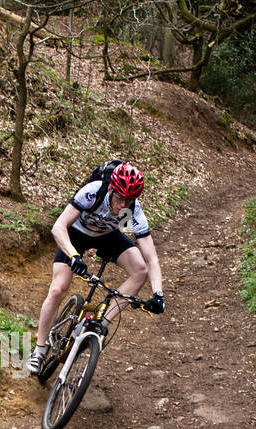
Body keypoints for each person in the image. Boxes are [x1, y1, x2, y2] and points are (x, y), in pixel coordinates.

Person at [24, 160, 164, 376]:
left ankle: (101, 324)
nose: (122, 206)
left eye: (129, 201)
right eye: (119, 198)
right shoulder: (93, 192)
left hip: (107, 236)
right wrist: (73, 256)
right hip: (77, 234)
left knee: (140, 271)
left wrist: (158, 294)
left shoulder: (131, 210)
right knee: (57, 289)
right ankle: (40, 350)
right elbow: (59, 226)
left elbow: (151, 258)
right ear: (111, 188)